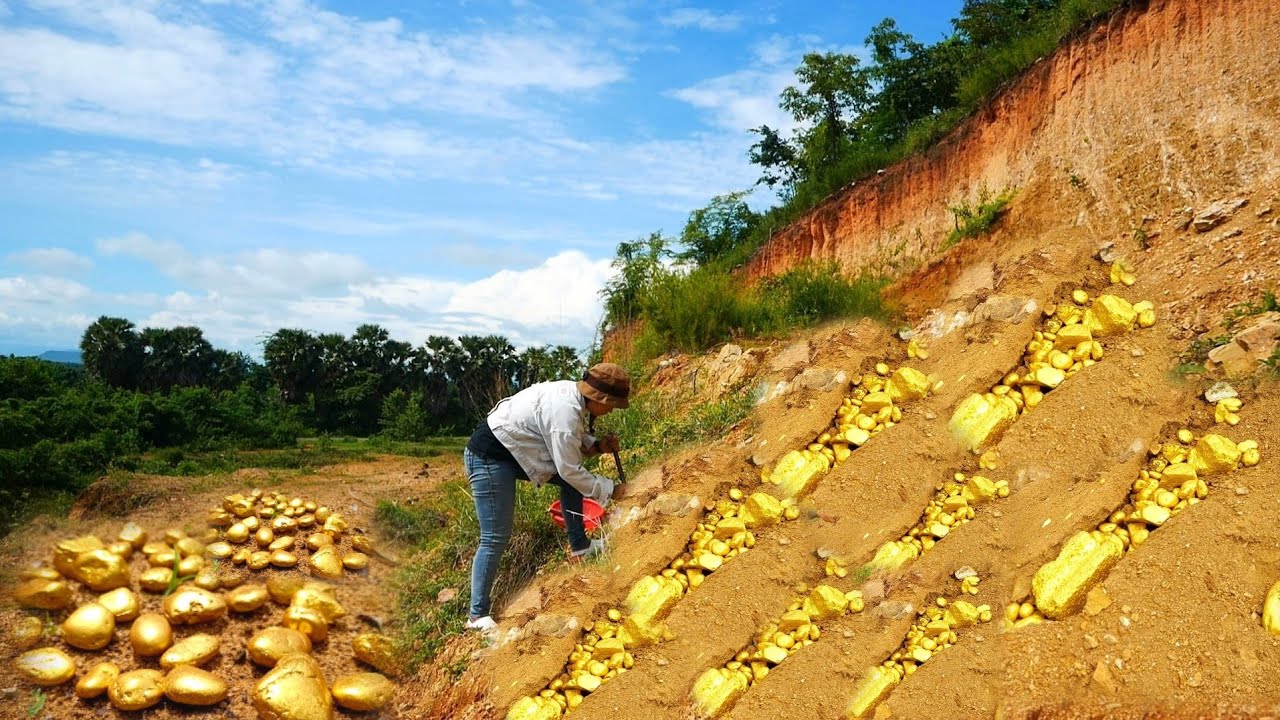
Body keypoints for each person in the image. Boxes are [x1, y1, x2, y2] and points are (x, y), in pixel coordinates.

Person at [462, 362, 629, 632]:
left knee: (570, 481)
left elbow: (568, 440)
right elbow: (569, 466)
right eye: (611, 405)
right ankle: (477, 616)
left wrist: (596, 446)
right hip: (489, 457)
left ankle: (581, 547)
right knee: (495, 536)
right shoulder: (566, 410)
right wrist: (611, 490)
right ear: (598, 398)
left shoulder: (572, 399)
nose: (610, 410)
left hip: (515, 449)